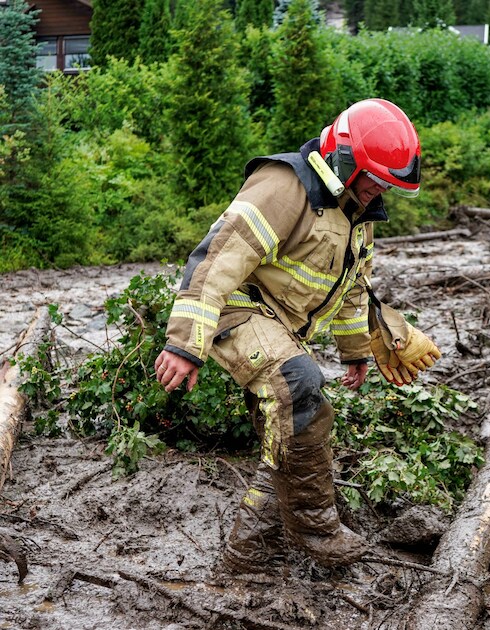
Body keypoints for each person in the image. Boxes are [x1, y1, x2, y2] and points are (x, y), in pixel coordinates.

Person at [153, 98, 441, 572]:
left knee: (294, 422)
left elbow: (353, 286)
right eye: (374, 179)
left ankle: (248, 551)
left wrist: (355, 351)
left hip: (279, 325)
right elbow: (214, 262)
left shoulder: (357, 211)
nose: (378, 191)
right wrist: (185, 344)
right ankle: (314, 530)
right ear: (344, 159)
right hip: (235, 308)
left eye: (387, 184)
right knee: (299, 385)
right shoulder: (283, 187)